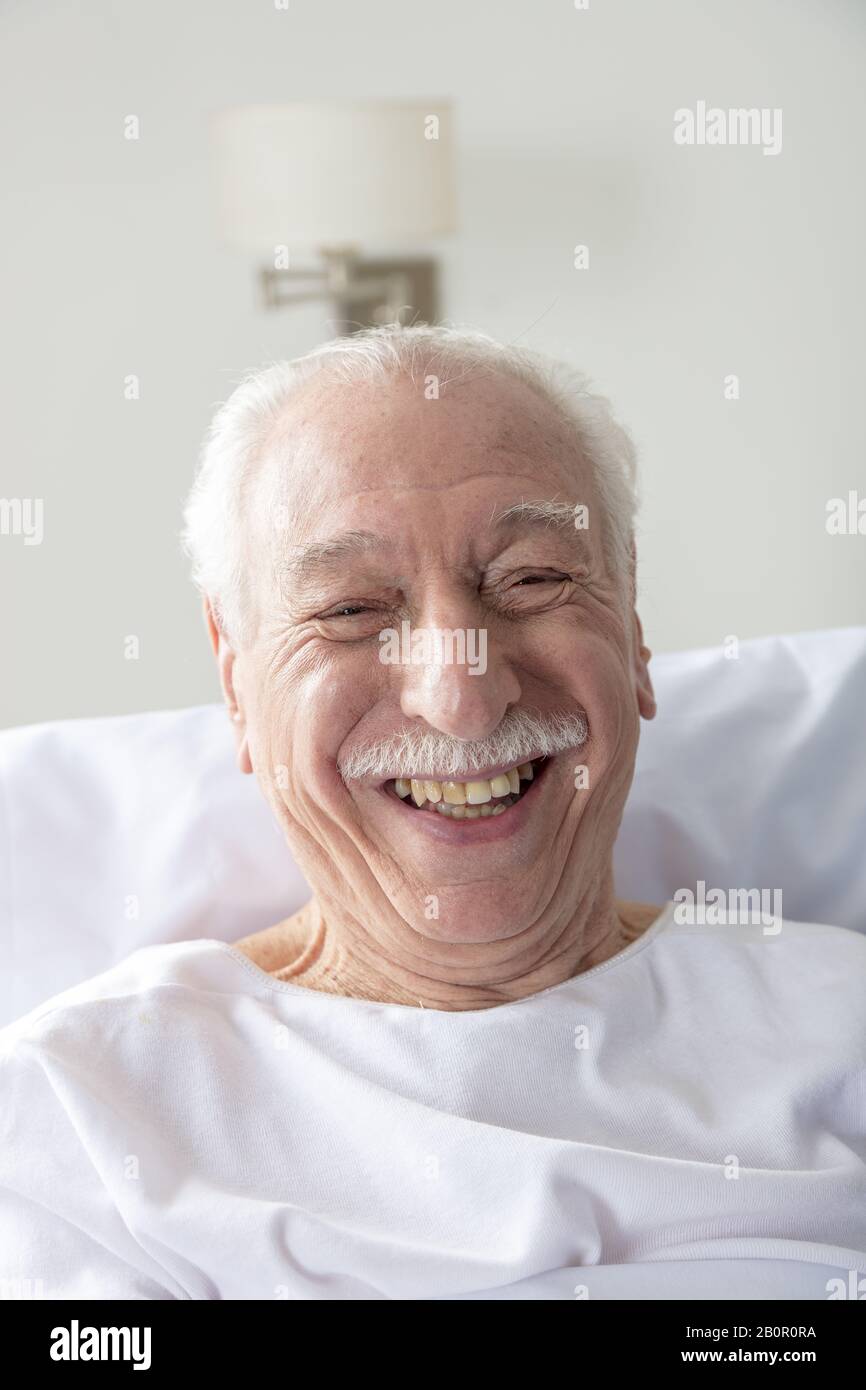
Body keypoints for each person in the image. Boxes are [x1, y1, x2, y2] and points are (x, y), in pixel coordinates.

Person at [1, 325, 863, 1300]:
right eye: (351, 607)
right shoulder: (86, 1114)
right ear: (235, 679)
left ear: (630, 630)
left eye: (531, 579)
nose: (460, 696)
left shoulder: (840, 1024)